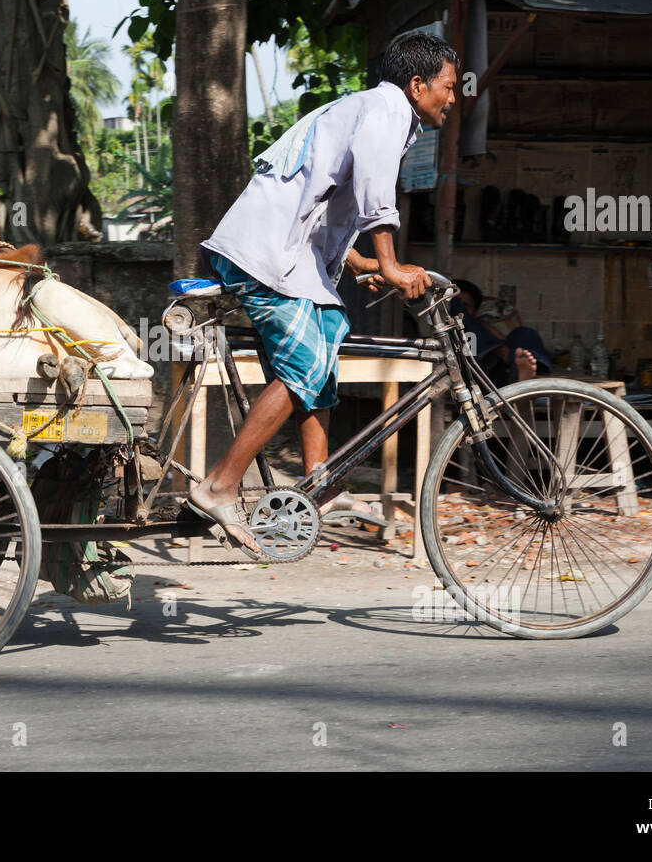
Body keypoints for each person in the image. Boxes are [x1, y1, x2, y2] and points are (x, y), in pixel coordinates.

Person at [187, 30, 458, 554]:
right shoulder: (386, 108)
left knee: (327, 334)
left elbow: (323, 202)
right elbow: (376, 192)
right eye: (447, 87)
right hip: (263, 254)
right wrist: (390, 263)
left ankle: (318, 481)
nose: (452, 97)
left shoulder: (368, 110)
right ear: (417, 84)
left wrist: (359, 264)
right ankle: (219, 485)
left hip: (286, 255)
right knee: (304, 367)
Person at [450, 279, 553, 386]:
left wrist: (506, 352)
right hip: (471, 373)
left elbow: (504, 343)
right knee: (462, 323)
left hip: (496, 375)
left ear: (475, 311)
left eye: (466, 305)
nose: (461, 309)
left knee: (524, 333)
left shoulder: (480, 326)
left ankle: (524, 378)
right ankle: (523, 380)